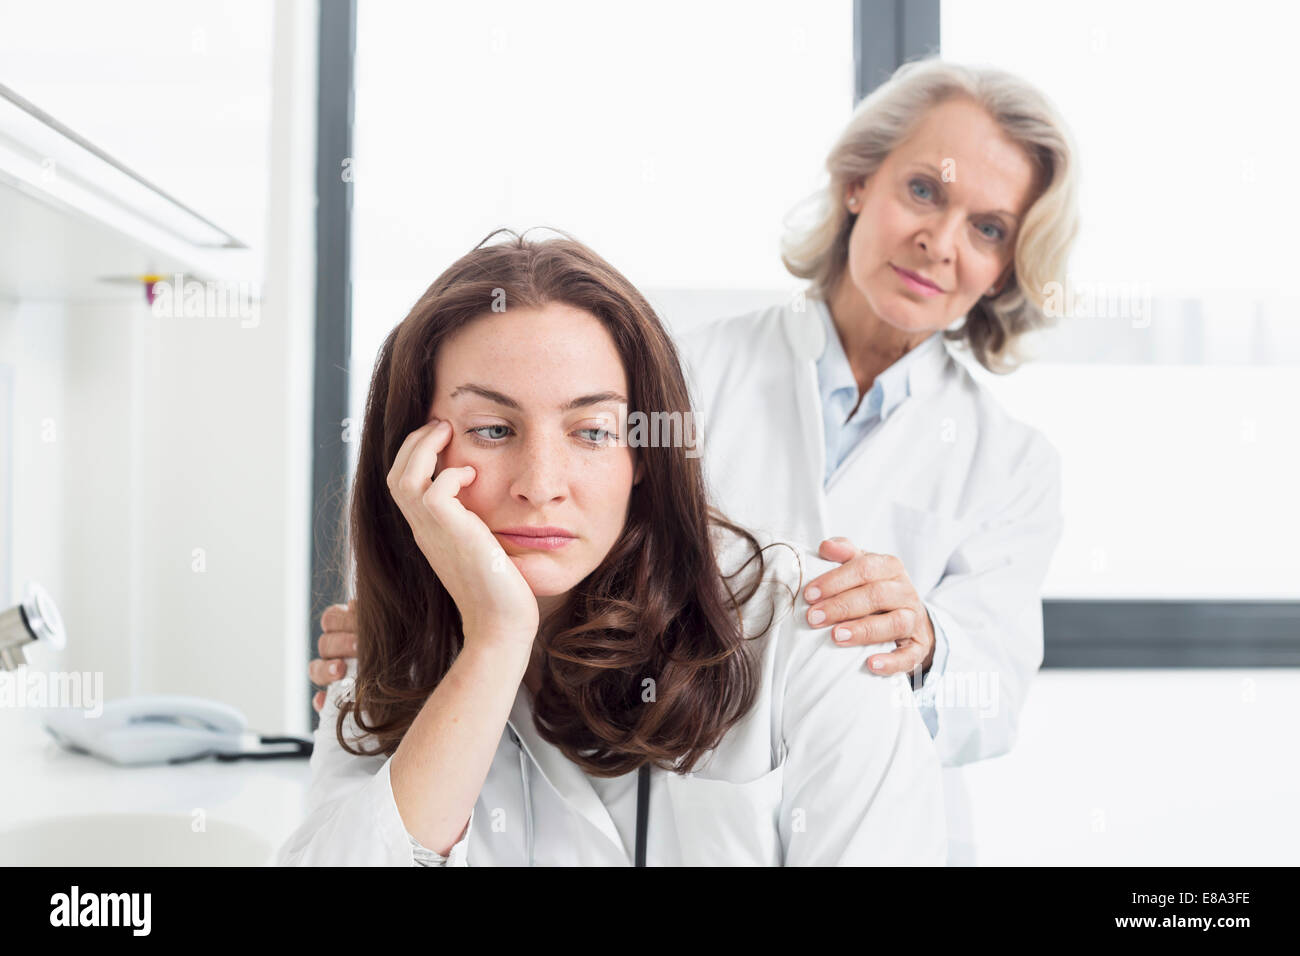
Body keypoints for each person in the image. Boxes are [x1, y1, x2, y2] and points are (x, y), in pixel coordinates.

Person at [311, 57, 1080, 865]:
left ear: (1007, 266)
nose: (940, 239)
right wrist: (421, 617)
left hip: (850, 796)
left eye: (989, 228)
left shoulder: (1012, 463)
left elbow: (991, 701)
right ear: (860, 182)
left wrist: (921, 645)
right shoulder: (670, 368)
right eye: (924, 190)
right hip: (608, 759)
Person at [276, 232, 947, 866]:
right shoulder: (389, 652)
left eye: (592, 432)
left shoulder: (810, 630)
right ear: (414, 457)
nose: (541, 486)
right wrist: (494, 642)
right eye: (492, 429)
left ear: (643, 455)